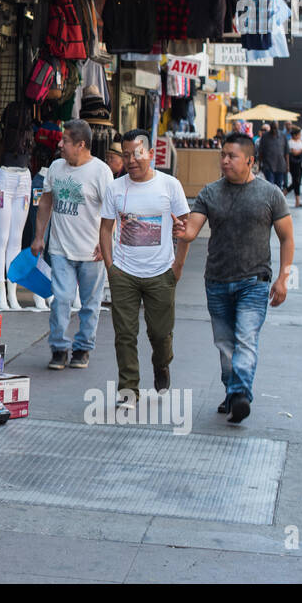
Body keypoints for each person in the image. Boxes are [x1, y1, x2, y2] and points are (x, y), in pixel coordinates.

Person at [174, 132, 294, 423]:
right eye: (223, 155)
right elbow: (192, 231)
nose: (225, 161)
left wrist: (283, 278)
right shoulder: (209, 192)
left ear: (250, 161)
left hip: (254, 281)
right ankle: (233, 393)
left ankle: (240, 394)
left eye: (232, 156)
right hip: (216, 281)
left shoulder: (270, 194)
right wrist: (182, 231)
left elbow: (287, 238)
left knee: (245, 339)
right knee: (225, 344)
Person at [99, 129, 191, 406]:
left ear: (150, 154)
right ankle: (128, 390)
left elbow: (186, 228)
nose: (131, 160)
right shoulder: (115, 188)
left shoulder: (169, 185)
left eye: (137, 153)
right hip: (124, 274)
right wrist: (110, 267)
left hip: (161, 273)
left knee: (161, 335)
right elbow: (105, 228)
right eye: (126, 155)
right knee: (125, 335)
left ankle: (161, 365)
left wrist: (178, 265)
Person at [31, 120, 114, 370]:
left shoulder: (101, 172)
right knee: (62, 299)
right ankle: (59, 348)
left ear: (81, 145)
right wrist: (39, 236)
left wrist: (105, 243)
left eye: (65, 140)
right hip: (60, 249)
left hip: (92, 251)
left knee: (90, 303)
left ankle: (82, 348)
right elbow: (46, 202)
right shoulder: (56, 168)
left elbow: (113, 212)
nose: (60, 144)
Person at [258, 121, 288, 190]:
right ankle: (271, 200)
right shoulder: (265, 136)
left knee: (278, 186)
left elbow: (286, 152)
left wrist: (287, 165)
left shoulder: (282, 136)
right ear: (270, 127)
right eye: (273, 128)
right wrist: (260, 164)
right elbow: (261, 151)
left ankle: (276, 200)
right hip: (268, 164)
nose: (274, 130)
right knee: (270, 185)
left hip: (280, 165)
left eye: (275, 128)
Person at [287, 126, 302, 208]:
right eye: (299, 134)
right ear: (295, 135)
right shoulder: (290, 142)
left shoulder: (299, 141)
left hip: (300, 164)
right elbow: (294, 152)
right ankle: (296, 201)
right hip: (294, 164)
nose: (299, 136)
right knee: (296, 181)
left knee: (297, 181)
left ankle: (285, 193)